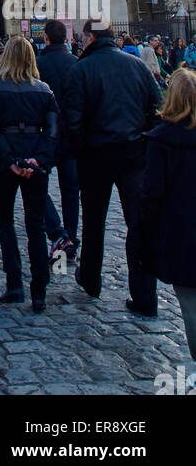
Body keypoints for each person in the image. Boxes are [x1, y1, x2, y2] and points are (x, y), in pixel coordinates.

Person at [63, 18, 162, 317]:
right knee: (139, 225)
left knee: (93, 223)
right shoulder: (136, 66)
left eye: (83, 37)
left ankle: (91, 280)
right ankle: (145, 295)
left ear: (91, 38)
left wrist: (81, 150)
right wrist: (143, 144)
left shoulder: (80, 70)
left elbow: (73, 121)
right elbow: (157, 110)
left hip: (96, 158)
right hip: (133, 156)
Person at [0, 37, 59, 312]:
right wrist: (37, 160)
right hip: (34, 161)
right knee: (36, 226)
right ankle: (39, 290)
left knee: (5, 222)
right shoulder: (44, 90)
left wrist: (11, 160)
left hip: (5, 162)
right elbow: (52, 131)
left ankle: (14, 284)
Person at [138, 68, 196, 358]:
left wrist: (147, 235)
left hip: (181, 232)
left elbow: (152, 194)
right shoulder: (160, 138)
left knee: (190, 303)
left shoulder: (162, 140)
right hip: (181, 227)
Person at [37, 19, 79, 259]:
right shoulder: (76, 64)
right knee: (71, 189)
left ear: (46, 38)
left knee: (37, 185)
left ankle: (59, 233)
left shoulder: (38, 64)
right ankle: (71, 235)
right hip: (71, 135)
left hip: (46, 135)